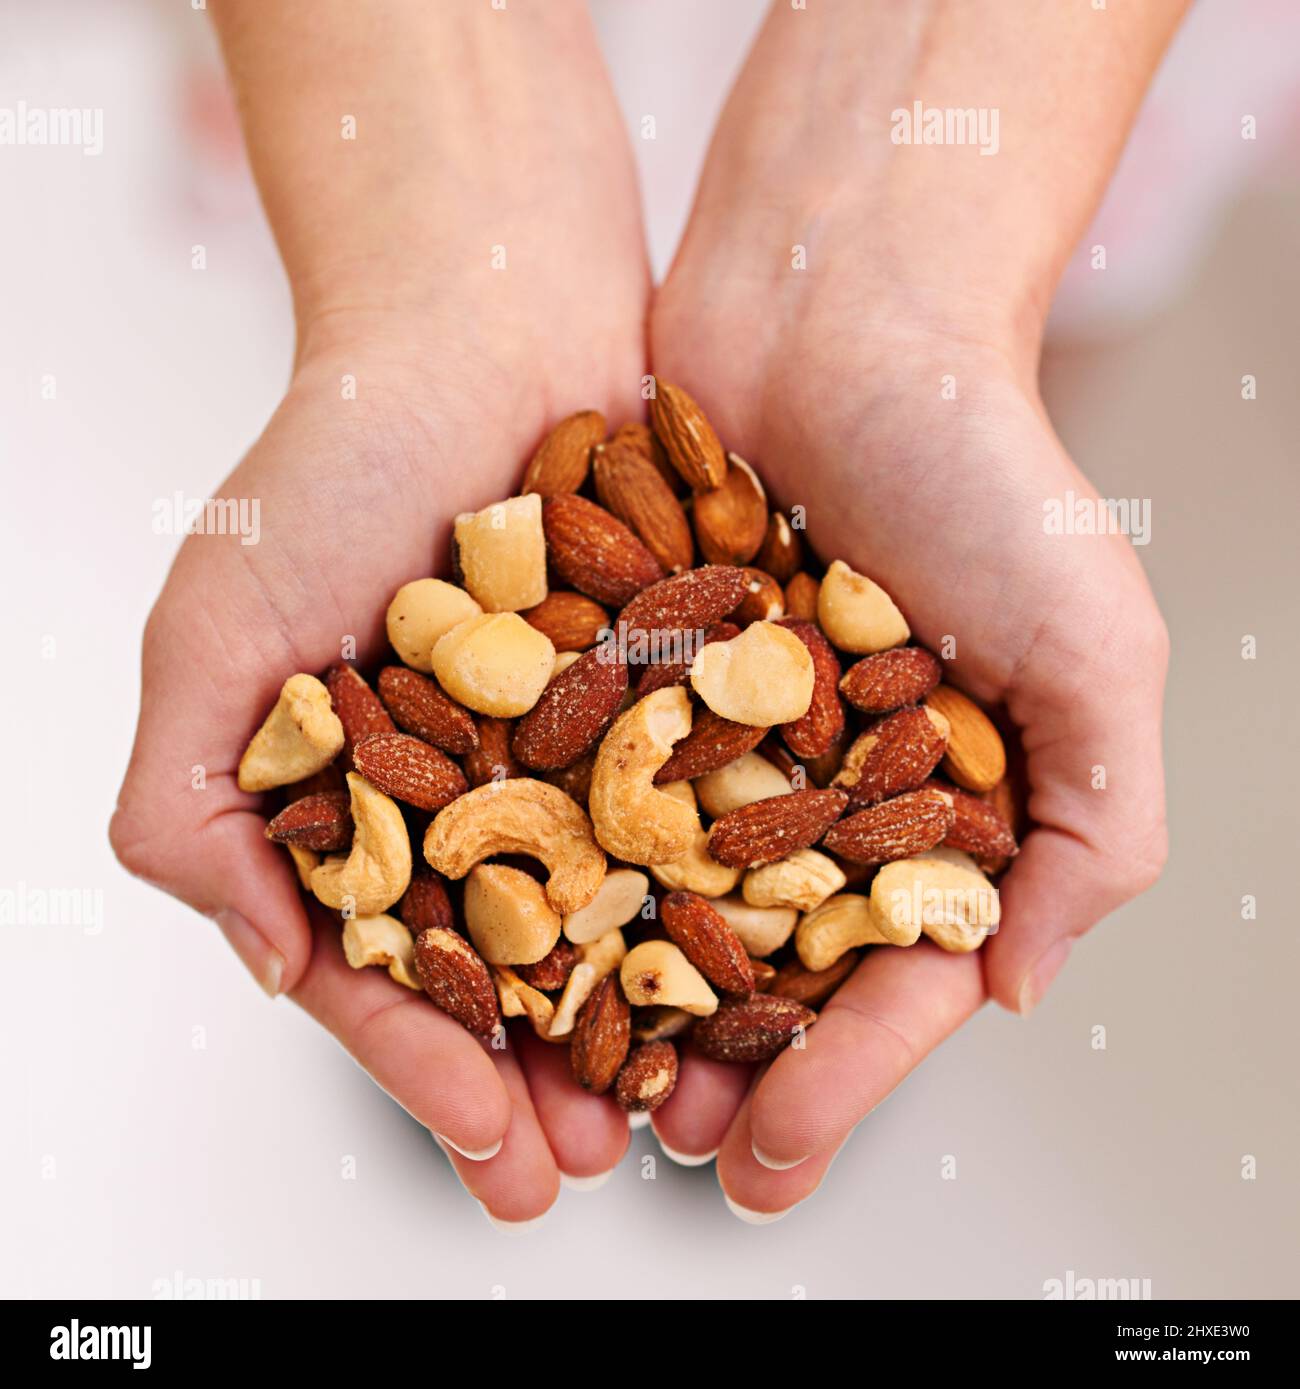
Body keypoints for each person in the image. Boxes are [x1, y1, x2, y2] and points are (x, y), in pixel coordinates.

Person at [111, 0, 1177, 1226]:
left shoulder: (742, 672)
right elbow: (579, 704)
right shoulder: (606, 654)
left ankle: (676, 1003)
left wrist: (910, 286)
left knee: (1009, 386)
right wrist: (440, 271)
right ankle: (503, 984)